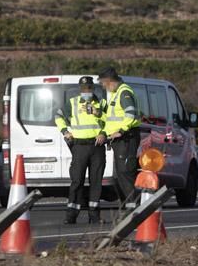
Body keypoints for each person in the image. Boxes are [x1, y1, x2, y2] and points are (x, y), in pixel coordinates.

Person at [55, 76, 107, 224]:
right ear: (80, 89)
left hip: (97, 146)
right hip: (79, 146)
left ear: (93, 88)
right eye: (83, 89)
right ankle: (71, 215)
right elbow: (58, 116)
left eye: (89, 88)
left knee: (96, 181)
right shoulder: (73, 103)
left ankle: (94, 216)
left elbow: (110, 120)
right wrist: (65, 131)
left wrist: (103, 131)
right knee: (77, 181)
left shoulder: (102, 103)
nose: (86, 91)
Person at [97, 67, 141, 209]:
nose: (103, 87)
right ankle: (127, 206)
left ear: (109, 81)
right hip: (119, 140)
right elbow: (111, 119)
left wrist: (121, 131)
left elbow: (131, 114)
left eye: (103, 83)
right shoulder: (116, 94)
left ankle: (133, 207)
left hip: (126, 138)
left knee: (126, 172)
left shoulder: (124, 92)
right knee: (121, 174)